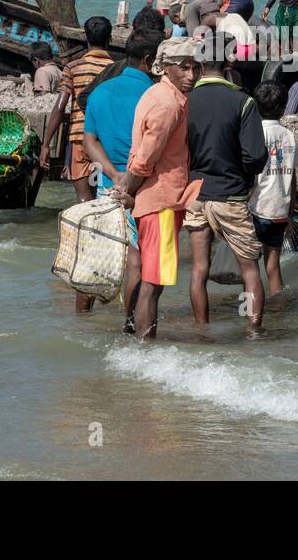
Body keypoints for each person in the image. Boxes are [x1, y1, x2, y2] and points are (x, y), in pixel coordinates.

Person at [113, 39, 202, 340]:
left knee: (150, 276)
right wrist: (129, 189)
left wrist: (130, 190)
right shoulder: (167, 104)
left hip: (154, 198)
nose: (191, 75)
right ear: (166, 67)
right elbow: (144, 160)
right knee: (154, 282)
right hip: (161, 200)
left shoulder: (159, 94)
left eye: (195, 67)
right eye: (184, 68)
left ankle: (134, 338)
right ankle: (145, 350)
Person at [184, 39, 269, 331]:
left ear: (197, 66)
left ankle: (201, 330)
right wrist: (245, 178)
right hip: (230, 194)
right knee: (249, 271)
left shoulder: (184, 100)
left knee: (198, 270)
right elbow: (255, 156)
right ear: (229, 63)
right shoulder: (243, 101)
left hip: (193, 194)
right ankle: (252, 332)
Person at [82, 30, 162, 322]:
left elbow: (89, 140)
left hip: (107, 185)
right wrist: (127, 177)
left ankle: (81, 321)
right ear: (150, 60)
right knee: (136, 263)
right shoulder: (155, 94)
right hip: (141, 188)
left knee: (94, 256)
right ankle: (130, 327)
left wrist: (114, 174)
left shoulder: (101, 90)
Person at [40, 18, 114, 211]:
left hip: (79, 139)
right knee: (105, 197)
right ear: (110, 39)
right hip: (106, 141)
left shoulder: (73, 67)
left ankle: (88, 236)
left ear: (86, 39)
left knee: (84, 198)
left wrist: (46, 145)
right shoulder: (116, 69)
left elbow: (60, 107)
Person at [248, 82, 296, 297]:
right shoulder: (289, 136)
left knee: (249, 267)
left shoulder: (255, 134)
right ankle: (278, 308)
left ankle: (251, 308)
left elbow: (250, 176)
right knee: (273, 265)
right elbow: (292, 177)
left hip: (257, 208)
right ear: (283, 109)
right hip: (279, 210)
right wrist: (290, 215)